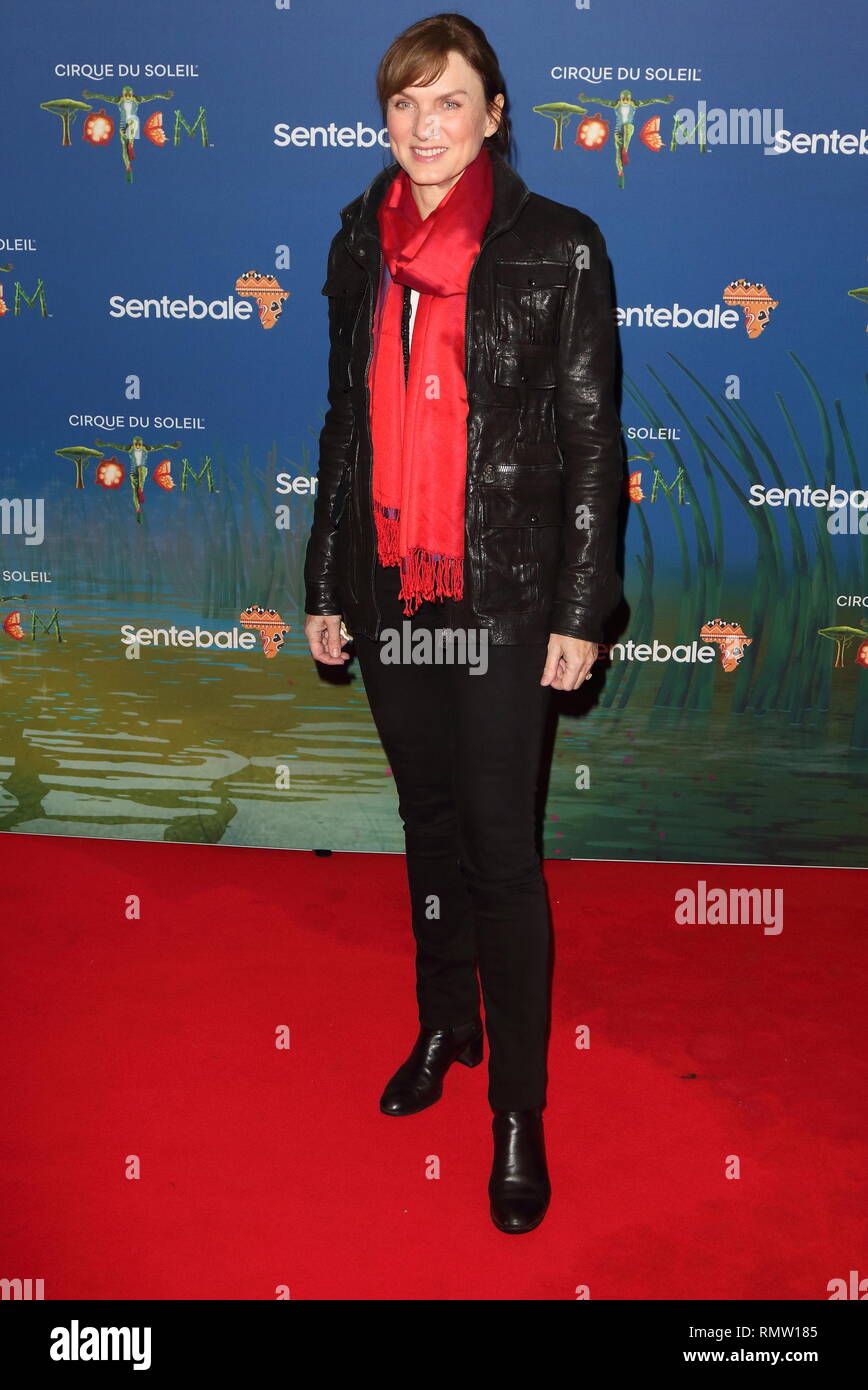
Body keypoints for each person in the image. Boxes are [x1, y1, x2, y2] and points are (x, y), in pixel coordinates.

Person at [303, 13, 623, 1234]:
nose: (424, 127)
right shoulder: (358, 238)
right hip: (394, 589)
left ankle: (519, 1112)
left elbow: (594, 447)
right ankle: (447, 1022)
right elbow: (346, 423)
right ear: (384, 120)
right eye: (404, 105)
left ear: (494, 115)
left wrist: (582, 607)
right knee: (426, 821)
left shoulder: (560, 248)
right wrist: (329, 581)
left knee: (499, 843)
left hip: (497, 592)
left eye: (450, 103)